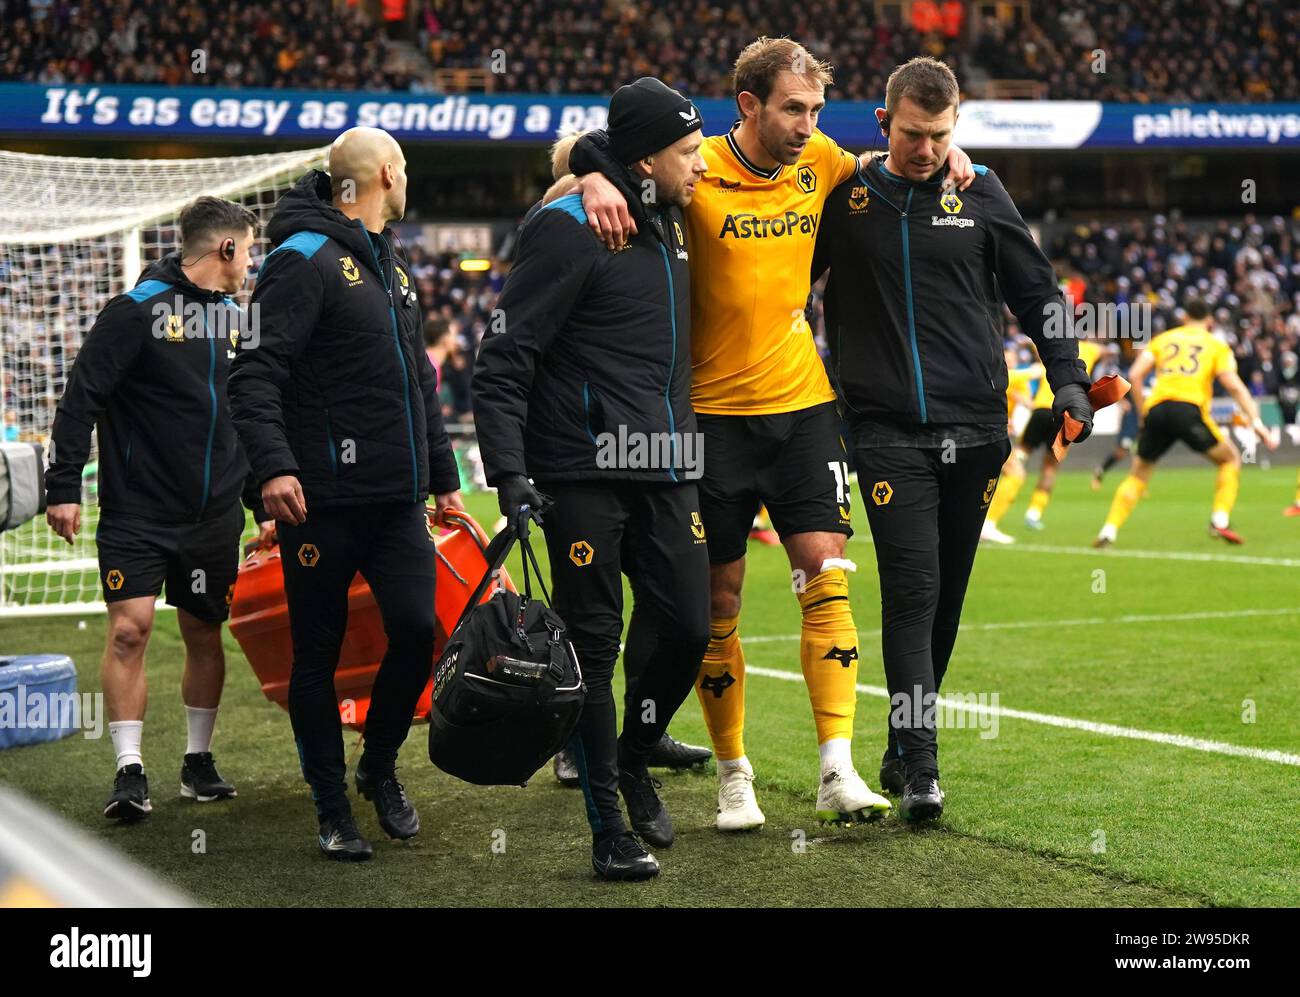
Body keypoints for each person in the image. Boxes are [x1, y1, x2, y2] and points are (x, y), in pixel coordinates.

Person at [565, 36, 974, 831]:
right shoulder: (694, 166)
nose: (807, 124)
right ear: (747, 105)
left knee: (827, 571)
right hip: (709, 419)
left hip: (803, 408)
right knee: (719, 600)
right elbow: (599, 148)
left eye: (816, 109)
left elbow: (904, 163)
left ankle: (836, 769)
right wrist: (587, 172)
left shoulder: (821, 160)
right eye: (793, 108)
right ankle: (733, 775)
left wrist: (964, 164)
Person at [812, 56, 1095, 820]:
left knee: (946, 603)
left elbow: (1039, 296)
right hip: (884, 433)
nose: (927, 149)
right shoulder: (845, 197)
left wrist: (1068, 379)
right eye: (912, 134)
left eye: (940, 135)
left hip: (976, 432)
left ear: (956, 126)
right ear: (883, 123)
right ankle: (927, 767)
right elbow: (780, 283)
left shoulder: (983, 192)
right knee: (913, 592)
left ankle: (902, 750)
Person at [475, 77, 709, 880]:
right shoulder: (568, 226)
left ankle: (635, 749)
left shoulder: (672, 213)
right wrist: (508, 471)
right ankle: (609, 825)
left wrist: (591, 159)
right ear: (647, 157)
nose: (701, 163)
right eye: (686, 151)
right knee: (592, 646)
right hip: (581, 469)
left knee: (689, 626)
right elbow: (503, 357)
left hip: (670, 462)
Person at [229, 127, 464, 861]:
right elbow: (254, 375)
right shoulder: (299, 260)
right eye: (408, 169)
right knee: (318, 656)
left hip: (395, 499)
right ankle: (332, 807)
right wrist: (271, 471)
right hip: (320, 504)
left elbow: (418, 384)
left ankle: (379, 764)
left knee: (417, 630)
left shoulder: (392, 267)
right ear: (388, 173)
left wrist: (445, 479)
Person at [45, 196, 274, 822]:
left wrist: (261, 504)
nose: (251, 262)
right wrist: (62, 484)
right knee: (129, 630)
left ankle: (198, 763)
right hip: (137, 514)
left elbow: (246, 419)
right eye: (248, 249)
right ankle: (129, 770)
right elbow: (81, 397)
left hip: (213, 517)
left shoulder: (238, 321)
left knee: (205, 631)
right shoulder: (134, 312)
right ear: (225, 248)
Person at [1094, 298, 1278, 548]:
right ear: (1210, 321)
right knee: (1230, 459)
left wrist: (1143, 412)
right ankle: (1219, 520)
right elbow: (1233, 385)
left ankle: (1109, 530)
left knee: (1139, 473)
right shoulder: (1216, 346)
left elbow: (1135, 374)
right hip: (1189, 409)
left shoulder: (1164, 339)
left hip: (1158, 408)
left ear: (1184, 318)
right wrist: (1256, 421)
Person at [982, 337, 1104, 542]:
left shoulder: (1049, 352)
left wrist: (1028, 344)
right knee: (1049, 467)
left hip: (1040, 412)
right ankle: (1032, 513)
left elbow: (1024, 393)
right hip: (1064, 413)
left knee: (1020, 456)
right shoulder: (1086, 351)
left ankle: (1013, 472)